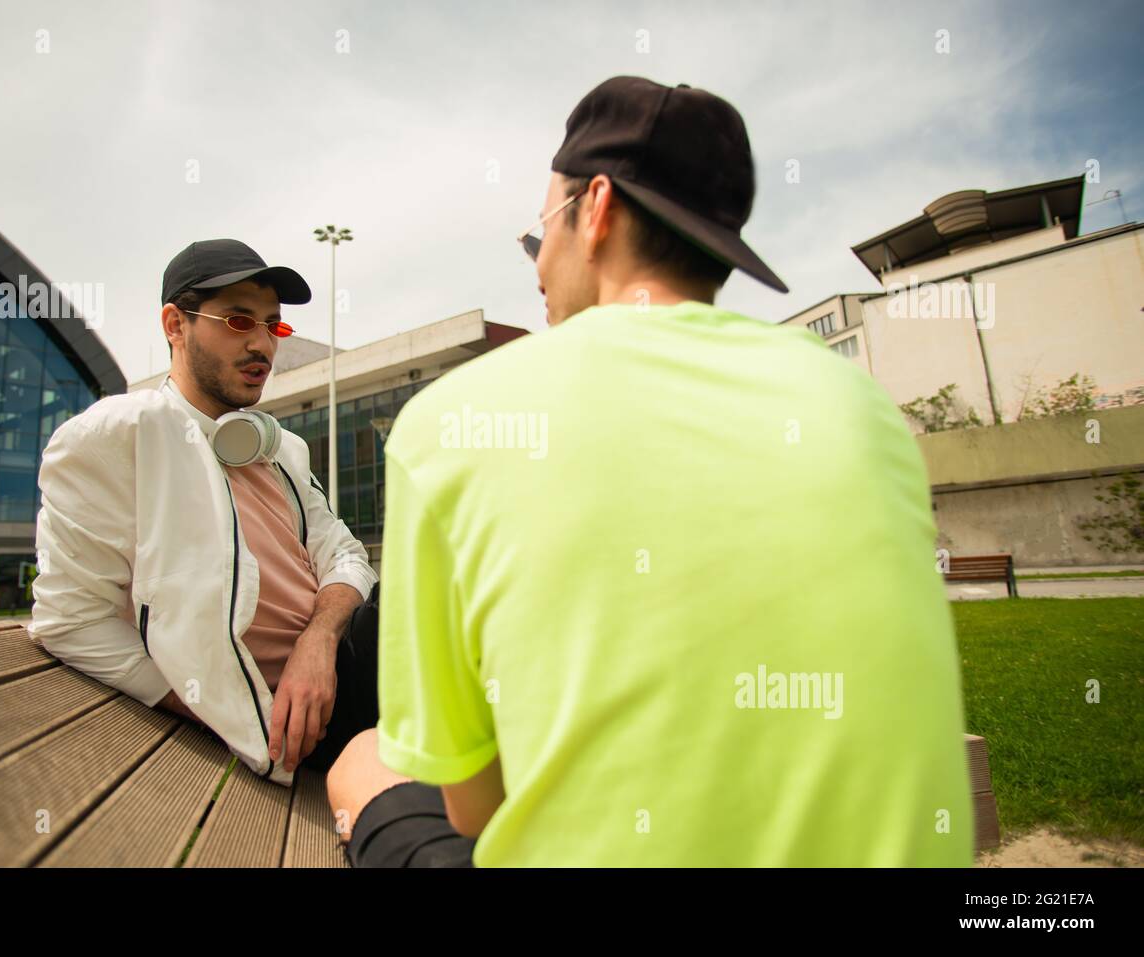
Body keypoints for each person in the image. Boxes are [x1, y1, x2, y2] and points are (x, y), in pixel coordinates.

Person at [326, 76, 973, 866]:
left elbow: (477, 807)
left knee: (368, 766)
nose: (538, 267)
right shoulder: (862, 405)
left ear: (594, 209)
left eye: (542, 228)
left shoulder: (448, 423)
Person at [29, 239, 380, 784]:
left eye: (273, 326)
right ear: (175, 324)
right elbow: (70, 621)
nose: (262, 343)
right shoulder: (116, 436)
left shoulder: (280, 447)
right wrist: (227, 715)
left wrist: (319, 639)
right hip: (302, 715)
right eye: (239, 320)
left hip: (347, 657)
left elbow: (346, 555)